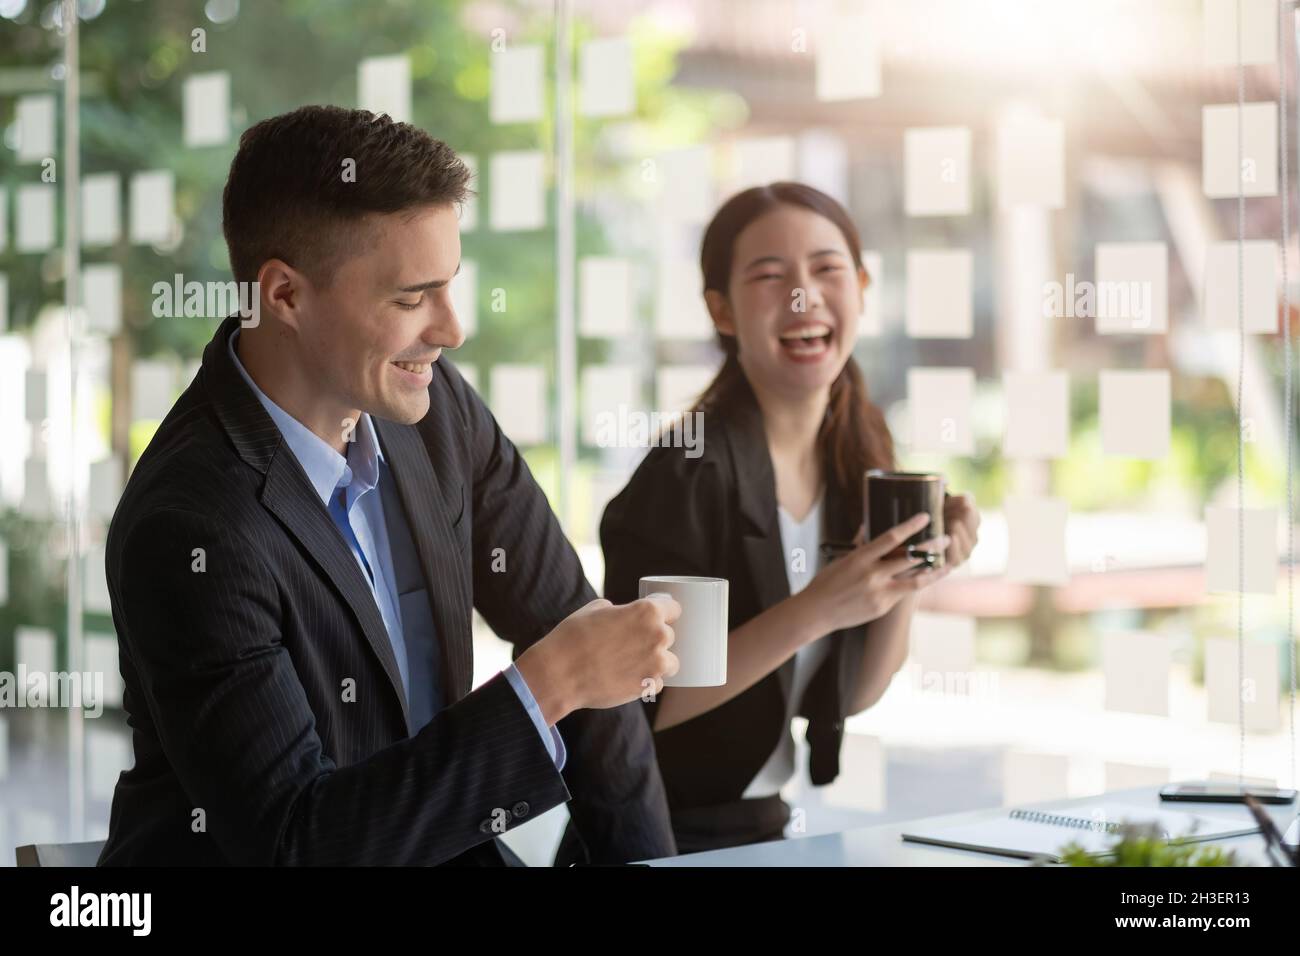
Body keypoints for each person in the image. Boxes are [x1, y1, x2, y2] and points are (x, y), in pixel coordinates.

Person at [98, 105, 680, 866]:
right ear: (285, 297)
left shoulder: (437, 414)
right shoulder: (192, 526)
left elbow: (582, 638)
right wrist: (548, 687)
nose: (450, 328)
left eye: (449, 286)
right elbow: (294, 843)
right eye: (411, 298)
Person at [560, 182, 981, 858]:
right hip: (650, 829)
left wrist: (908, 574)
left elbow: (854, 695)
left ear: (863, 288)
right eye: (769, 275)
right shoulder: (687, 470)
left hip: (760, 827)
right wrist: (819, 606)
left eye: (826, 268)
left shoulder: (858, 454)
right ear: (720, 311)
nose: (802, 296)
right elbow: (652, 699)